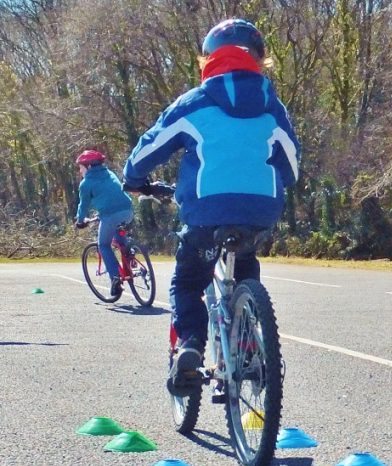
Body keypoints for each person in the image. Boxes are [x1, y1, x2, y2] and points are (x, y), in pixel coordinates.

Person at [122, 18, 301, 396]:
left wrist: (134, 178)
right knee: (246, 265)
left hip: (206, 212)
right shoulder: (272, 104)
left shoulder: (196, 102)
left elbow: (150, 148)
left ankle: (190, 345)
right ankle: (249, 346)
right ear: (259, 61)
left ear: (208, 60)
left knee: (188, 282)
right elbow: (292, 163)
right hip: (259, 210)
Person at [73, 150, 136, 297]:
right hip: (128, 211)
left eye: (81, 167)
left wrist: (80, 221)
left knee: (103, 245)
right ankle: (128, 253)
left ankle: (115, 279)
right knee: (118, 232)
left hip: (110, 215)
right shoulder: (110, 174)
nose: (80, 170)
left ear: (88, 167)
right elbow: (111, 195)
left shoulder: (86, 184)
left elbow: (83, 206)